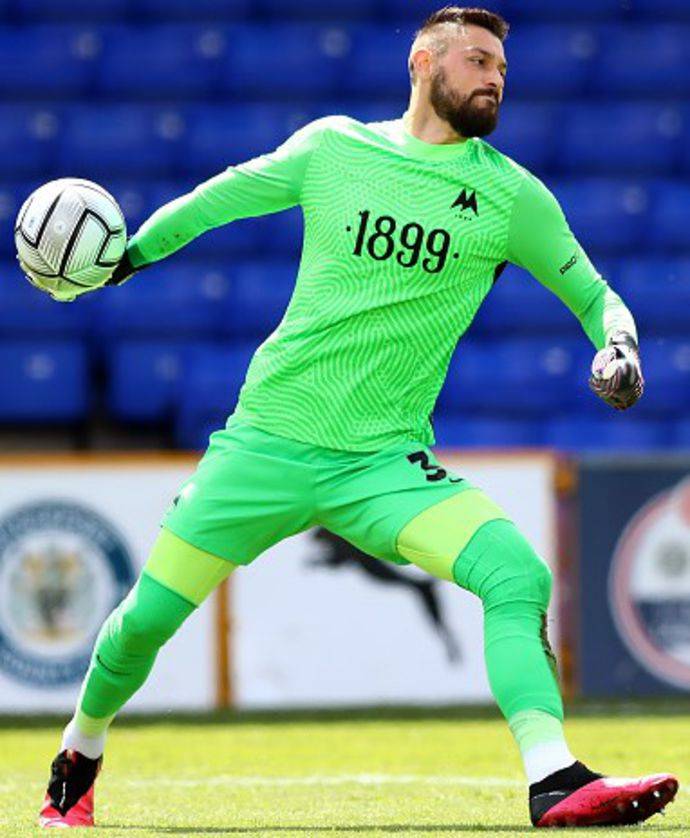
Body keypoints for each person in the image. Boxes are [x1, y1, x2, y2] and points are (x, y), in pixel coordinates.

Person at [39, 6, 676, 829]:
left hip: (383, 465)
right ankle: (79, 753)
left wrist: (619, 346)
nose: (493, 78)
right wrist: (128, 258)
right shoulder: (333, 148)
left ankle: (554, 777)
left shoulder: (510, 195)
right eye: (477, 60)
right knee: (141, 626)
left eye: (502, 70)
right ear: (423, 61)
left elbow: (595, 295)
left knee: (515, 572)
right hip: (265, 444)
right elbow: (217, 200)